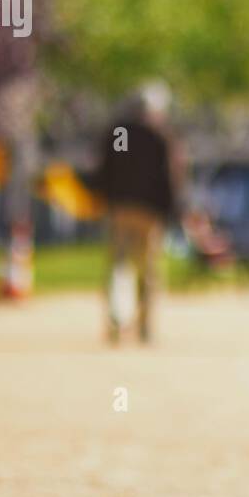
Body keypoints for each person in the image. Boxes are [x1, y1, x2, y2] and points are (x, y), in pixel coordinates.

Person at [91, 81, 183, 344]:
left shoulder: (116, 132)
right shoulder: (160, 136)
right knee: (147, 271)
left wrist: (104, 200)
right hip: (149, 213)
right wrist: (171, 211)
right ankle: (144, 326)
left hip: (120, 209)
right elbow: (170, 177)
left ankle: (115, 324)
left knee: (118, 267)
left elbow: (103, 171)